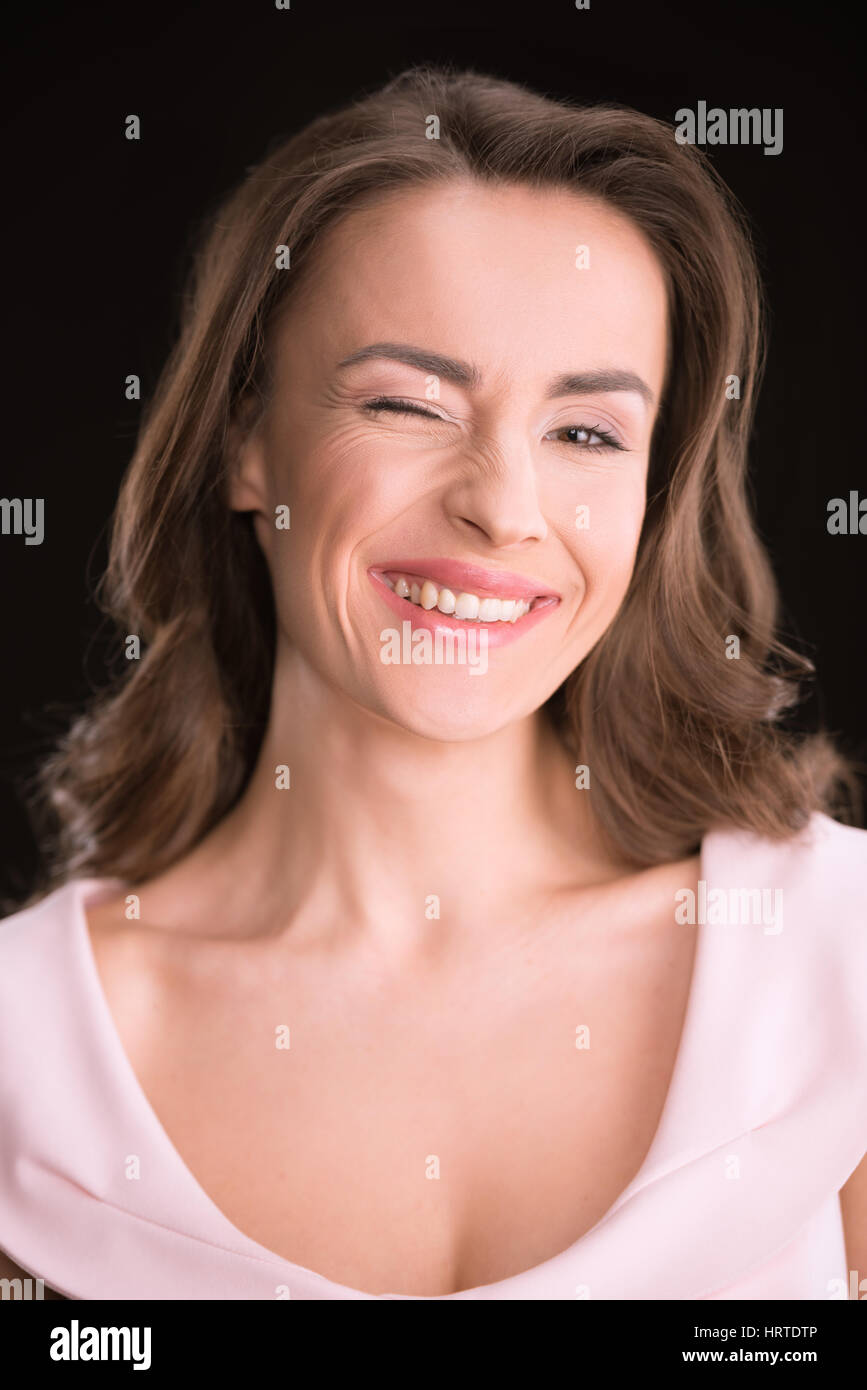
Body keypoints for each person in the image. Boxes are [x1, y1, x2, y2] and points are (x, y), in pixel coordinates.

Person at [1, 65, 865, 1301]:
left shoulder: (841, 960)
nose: (502, 509)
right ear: (246, 439)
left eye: (586, 432)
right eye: (410, 403)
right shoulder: (23, 1056)